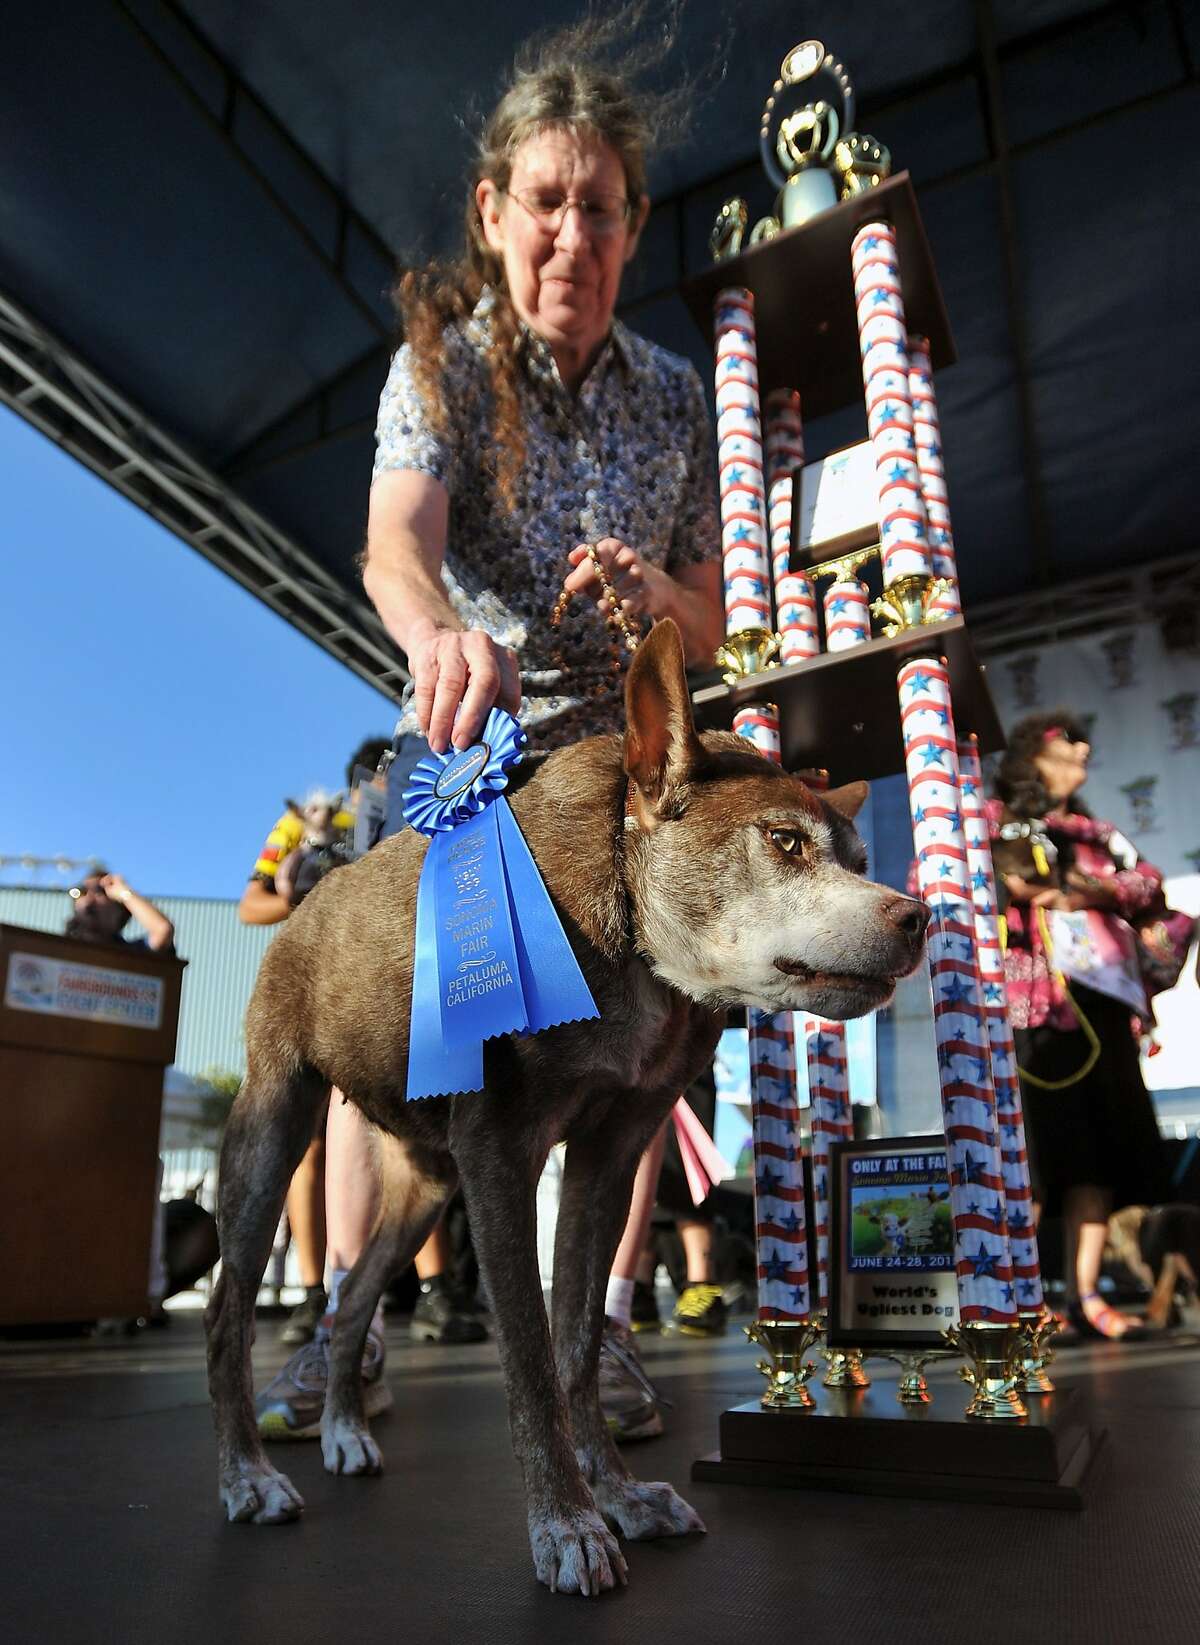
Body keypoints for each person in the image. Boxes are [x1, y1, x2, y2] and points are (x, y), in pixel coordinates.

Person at [361, 25, 723, 1438]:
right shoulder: (438, 369)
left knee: (636, 1060)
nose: (573, 234)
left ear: (633, 225)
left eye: (603, 207)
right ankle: (350, 1317)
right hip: (478, 748)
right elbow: (397, 544)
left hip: (628, 778)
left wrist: (661, 601)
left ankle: (598, 1335)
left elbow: (714, 615)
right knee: (441, 1075)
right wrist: (439, 634)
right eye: (547, 201)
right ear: (494, 212)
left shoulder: (684, 399)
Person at [247, 741, 487, 1442]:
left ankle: (440, 1292)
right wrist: (307, 864)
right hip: (313, 978)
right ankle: (341, 1318)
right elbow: (254, 902)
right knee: (342, 1112)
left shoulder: (398, 803)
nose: (377, 783)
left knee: (431, 1126)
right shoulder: (303, 831)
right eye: (380, 769)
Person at [988, 710, 1169, 1339]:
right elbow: (934, 883)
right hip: (1027, 1006)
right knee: (1029, 1158)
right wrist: (1006, 884)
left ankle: (1086, 1296)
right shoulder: (988, 820)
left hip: (1098, 1004)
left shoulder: (1096, 833)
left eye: (1083, 745)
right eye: (1065, 742)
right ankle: (1020, 1298)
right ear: (1030, 757)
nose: (1080, 749)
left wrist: (1088, 891)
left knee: (1093, 1156)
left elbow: (1150, 882)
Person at [65, 868, 174, 953]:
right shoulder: (58, 950)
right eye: (83, 891)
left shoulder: (133, 955)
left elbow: (162, 930)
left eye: (99, 891)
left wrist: (124, 893)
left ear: (120, 912)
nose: (88, 899)